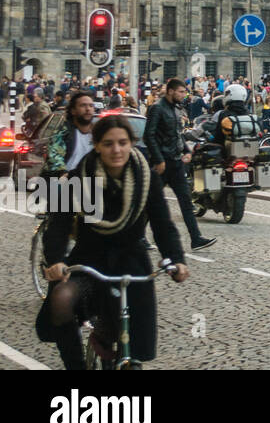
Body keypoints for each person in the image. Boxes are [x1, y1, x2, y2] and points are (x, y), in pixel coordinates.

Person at [36, 115, 190, 369]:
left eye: (122, 142)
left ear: (132, 144)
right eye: (108, 144)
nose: (116, 150)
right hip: (89, 261)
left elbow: (163, 225)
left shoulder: (146, 179)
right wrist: (55, 262)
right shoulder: (80, 178)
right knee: (62, 299)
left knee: (134, 332)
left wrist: (177, 260)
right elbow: (58, 226)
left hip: (131, 261)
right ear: (96, 145)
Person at [143, 77, 216, 251]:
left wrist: (186, 151)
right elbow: (149, 136)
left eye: (185, 92)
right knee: (151, 201)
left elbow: (178, 135)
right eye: (181, 92)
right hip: (162, 163)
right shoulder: (157, 108)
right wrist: (158, 159)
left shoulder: (176, 109)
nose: (184, 95)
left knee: (186, 200)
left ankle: (196, 238)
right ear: (170, 91)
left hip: (175, 162)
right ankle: (138, 237)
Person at [43, 90, 96, 175]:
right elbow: (55, 157)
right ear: (73, 111)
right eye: (83, 105)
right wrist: (63, 174)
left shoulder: (98, 133)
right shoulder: (63, 131)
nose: (88, 109)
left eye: (91, 106)